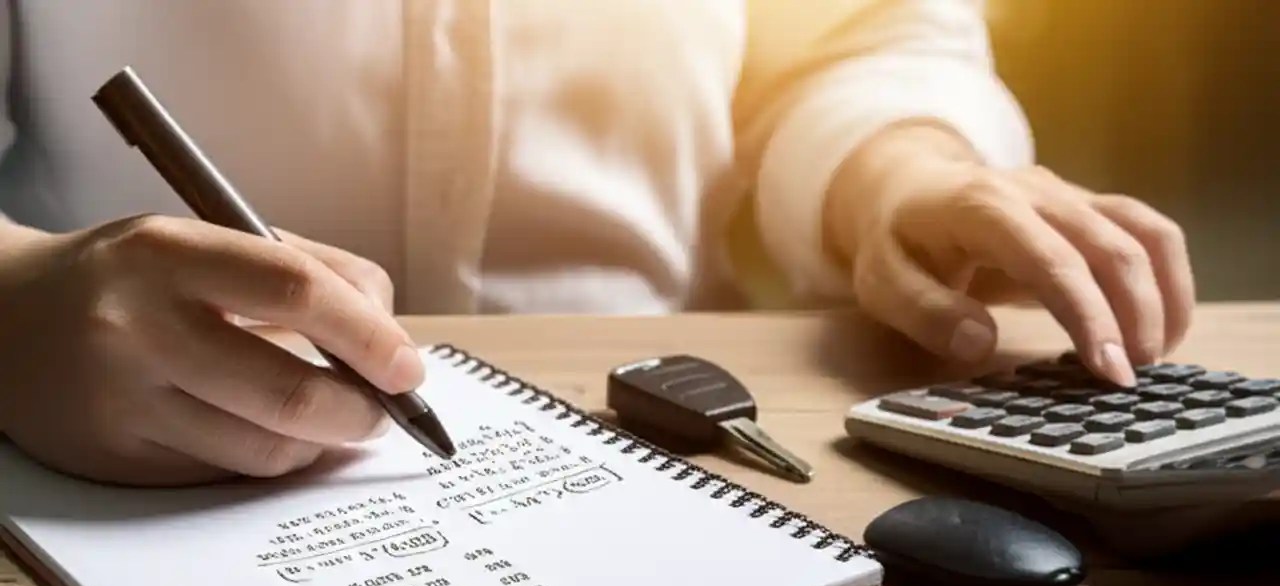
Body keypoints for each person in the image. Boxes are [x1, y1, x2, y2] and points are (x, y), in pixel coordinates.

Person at [0, 1, 1194, 487]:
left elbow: (856, 36)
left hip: (668, 431)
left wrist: (899, 165)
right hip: (114, 450)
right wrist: (12, 294)